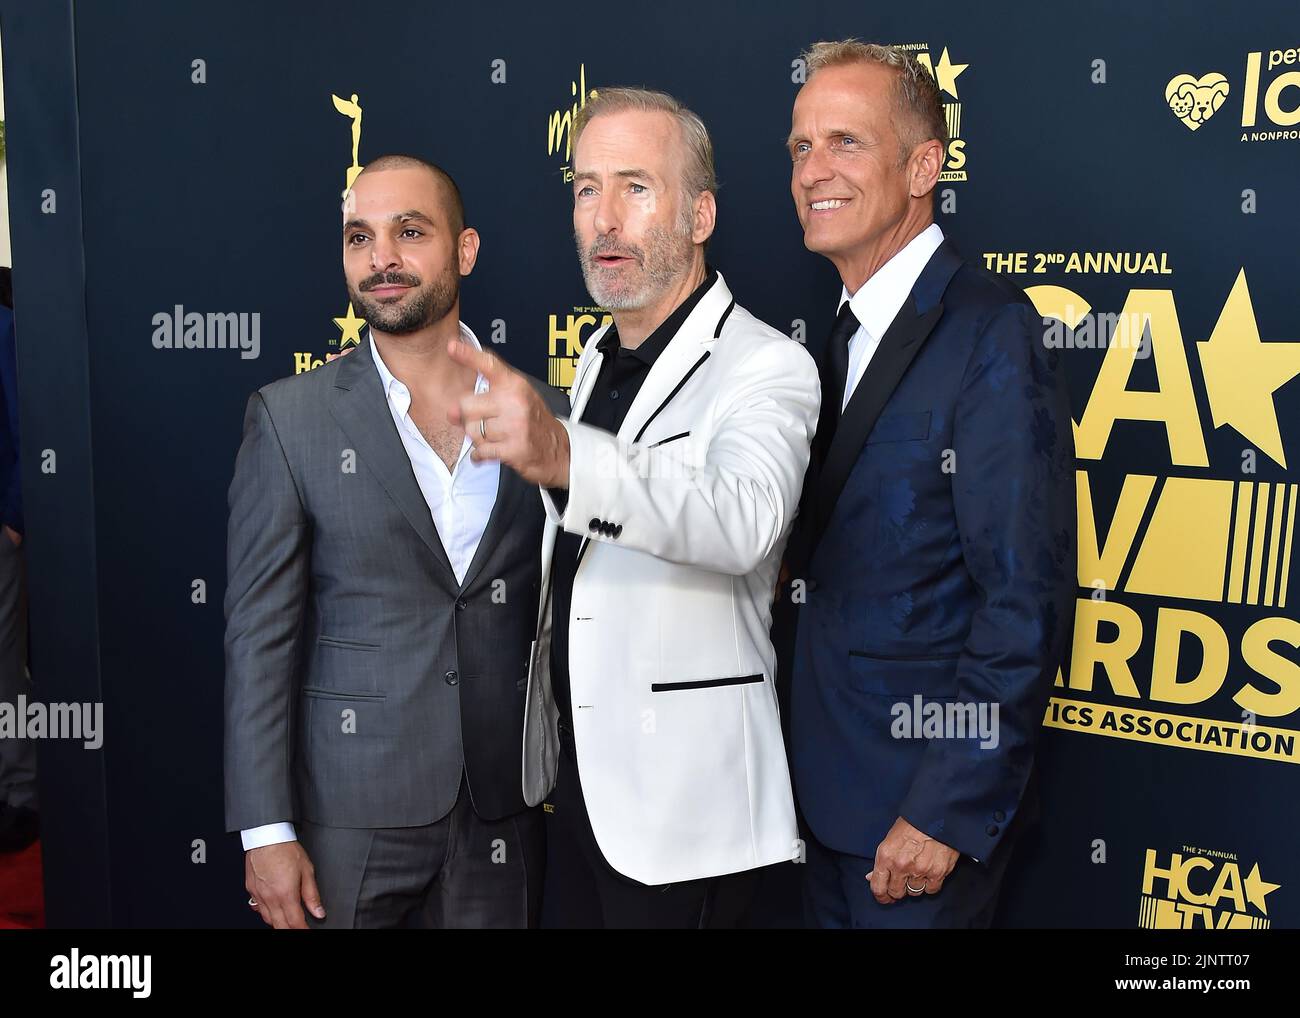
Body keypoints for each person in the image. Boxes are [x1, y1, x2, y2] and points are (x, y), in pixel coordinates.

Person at [443, 88, 820, 927]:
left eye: (636, 188)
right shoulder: (594, 357)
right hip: (580, 792)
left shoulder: (767, 366)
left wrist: (564, 457)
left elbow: (743, 522)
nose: (603, 220)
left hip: (684, 814)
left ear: (700, 215)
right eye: (585, 189)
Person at [224, 155, 565, 928]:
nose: (381, 259)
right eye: (359, 237)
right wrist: (265, 830)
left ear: (465, 250)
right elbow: (258, 638)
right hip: (347, 813)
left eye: (409, 233)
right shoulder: (291, 418)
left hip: (502, 809)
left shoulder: (548, 412)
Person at [782, 41, 1076, 928]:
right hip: (816, 811)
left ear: (923, 168)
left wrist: (944, 810)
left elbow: (1024, 598)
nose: (812, 171)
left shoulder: (990, 334)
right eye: (799, 147)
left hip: (915, 834)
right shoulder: (827, 340)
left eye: (845, 142)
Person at [0, 271, 37, 855]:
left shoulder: (6, 323)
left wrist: (11, 519)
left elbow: (25, 422)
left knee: (4, 674)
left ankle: (20, 794)